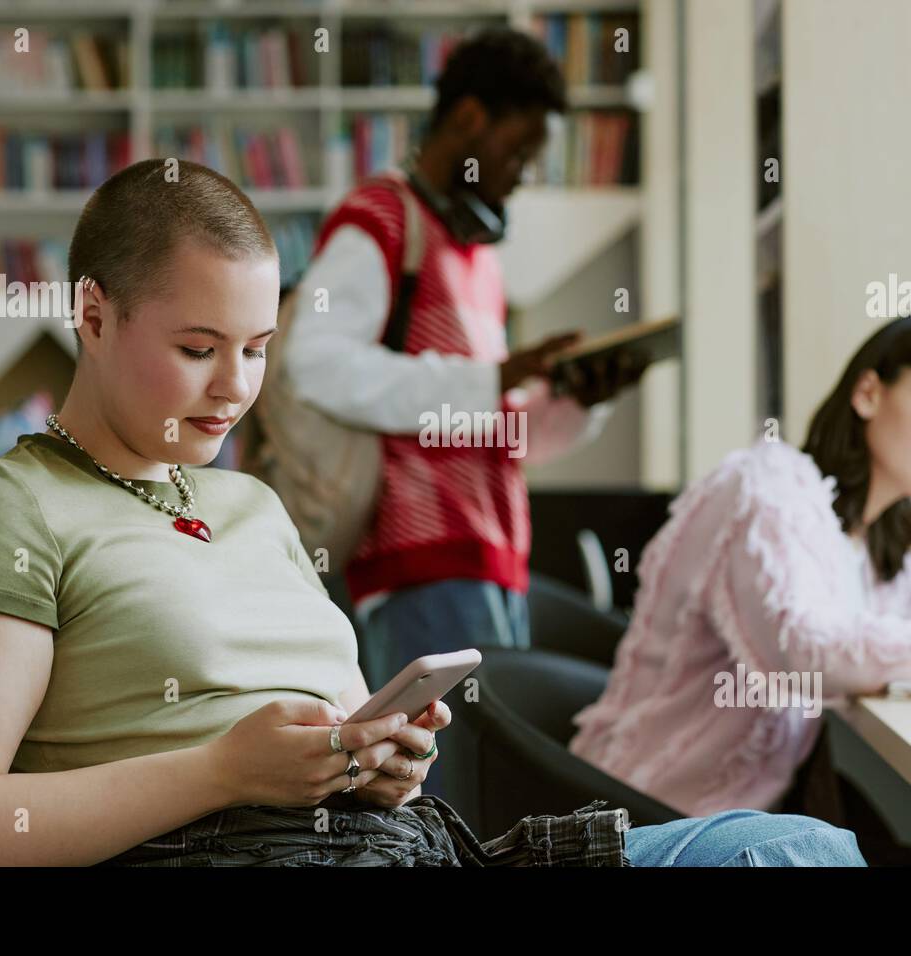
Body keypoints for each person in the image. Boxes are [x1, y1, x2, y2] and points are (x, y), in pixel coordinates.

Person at [0, 159, 863, 867]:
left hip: (408, 842)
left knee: (794, 845)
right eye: (197, 347)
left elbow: (322, 743)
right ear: (92, 313)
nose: (235, 387)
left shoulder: (254, 507)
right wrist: (221, 770)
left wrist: (376, 759)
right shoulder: (4, 505)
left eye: (258, 346)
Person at [279, 28, 644, 797]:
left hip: (490, 560)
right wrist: (494, 375)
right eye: (517, 150)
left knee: (484, 789)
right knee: (438, 793)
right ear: (471, 120)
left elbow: (492, 426)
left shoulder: (477, 257)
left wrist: (578, 402)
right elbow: (317, 363)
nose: (519, 176)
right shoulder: (379, 219)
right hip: (420, 559)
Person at [568, 316, 911, 860]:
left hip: (755, 824)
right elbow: (806, 649)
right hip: (654, 818)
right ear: (868, 392)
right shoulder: (769, 484)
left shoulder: (866, 545)